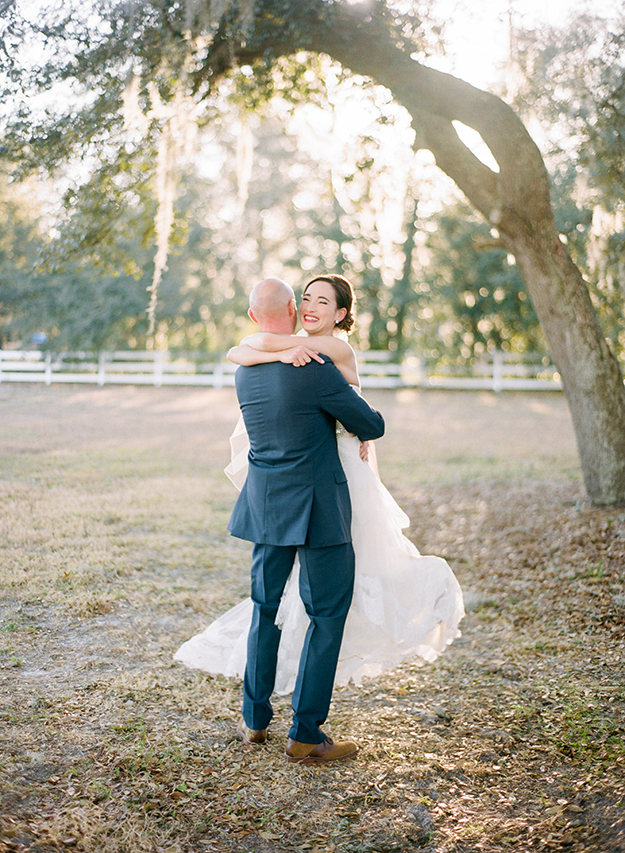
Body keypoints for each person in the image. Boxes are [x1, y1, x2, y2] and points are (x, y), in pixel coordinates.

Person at [175, 275, 464, 753]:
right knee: (327, 614)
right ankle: (306, 735)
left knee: (265, 609)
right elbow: (371, 424)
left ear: (254, 318)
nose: (310, 306)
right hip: (318, 508)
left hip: (266, 502)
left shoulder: (246, 368)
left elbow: (248, 358)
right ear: (292, 310)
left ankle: (255, 719)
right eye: (305, 299)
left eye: (320, 300)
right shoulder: (315, 366)